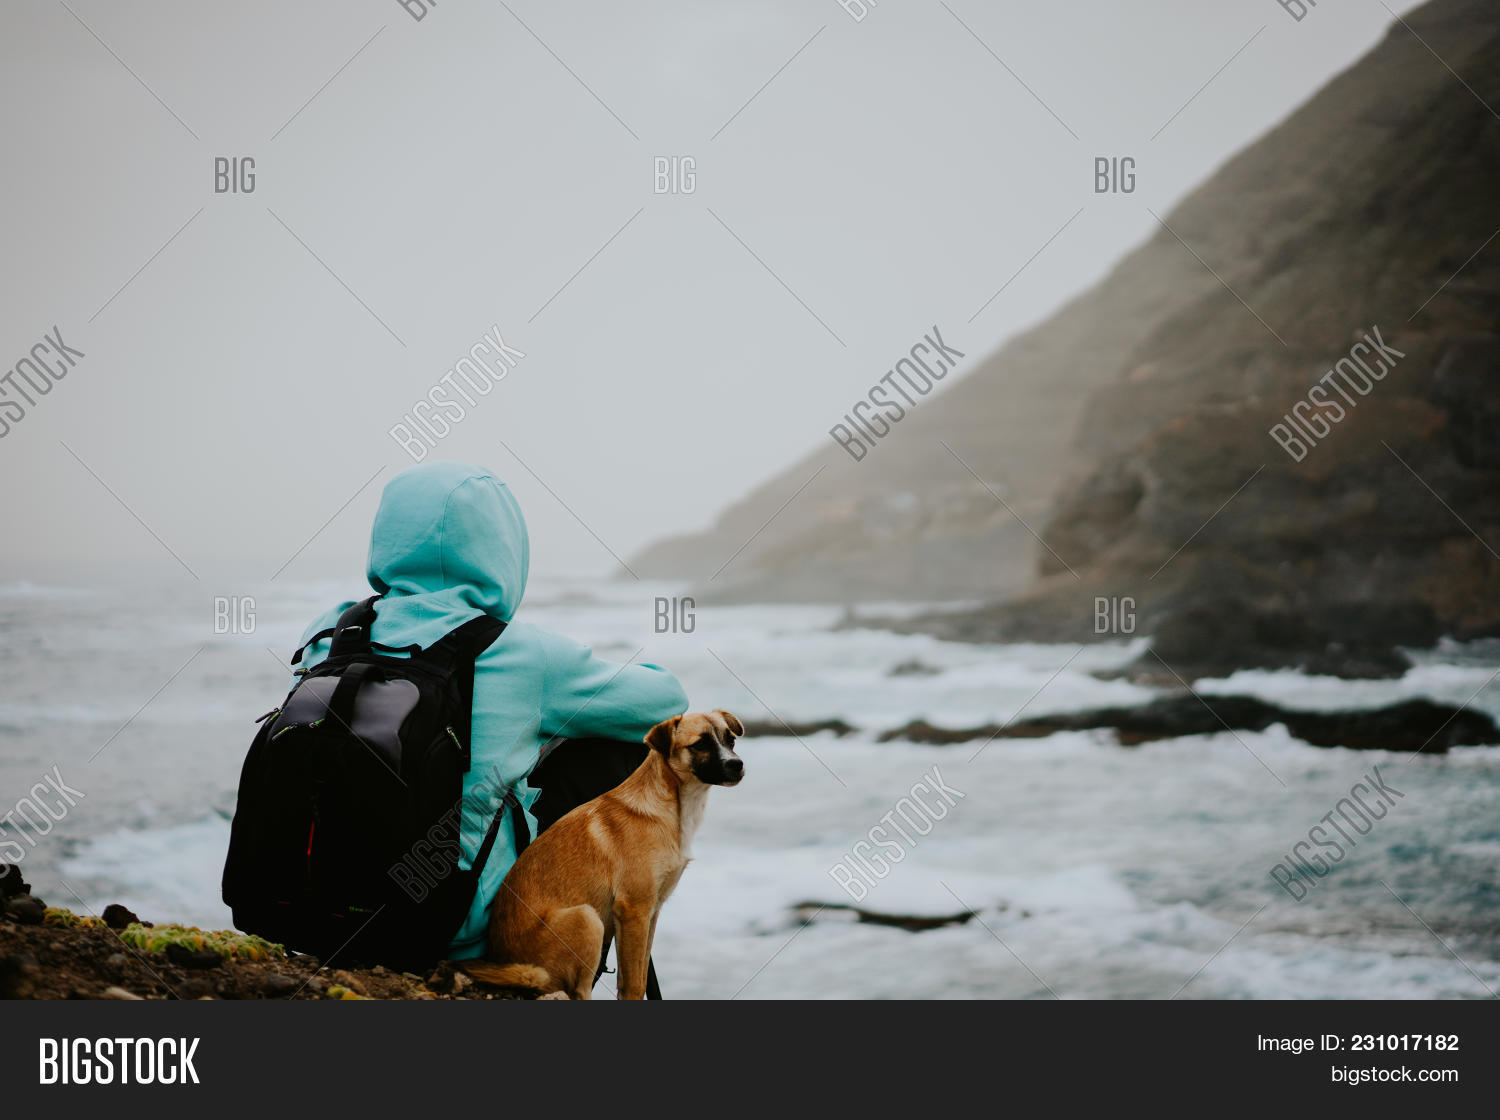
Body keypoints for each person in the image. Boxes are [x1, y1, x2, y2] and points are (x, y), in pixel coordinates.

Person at [291, 460, 688, 960]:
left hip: (310, 910)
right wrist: (545, 723)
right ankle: (576, 963)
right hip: (455, 926)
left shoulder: (330, 631)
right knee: (623, 749)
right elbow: (666, 703)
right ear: (503, 547)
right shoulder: (518, 650)